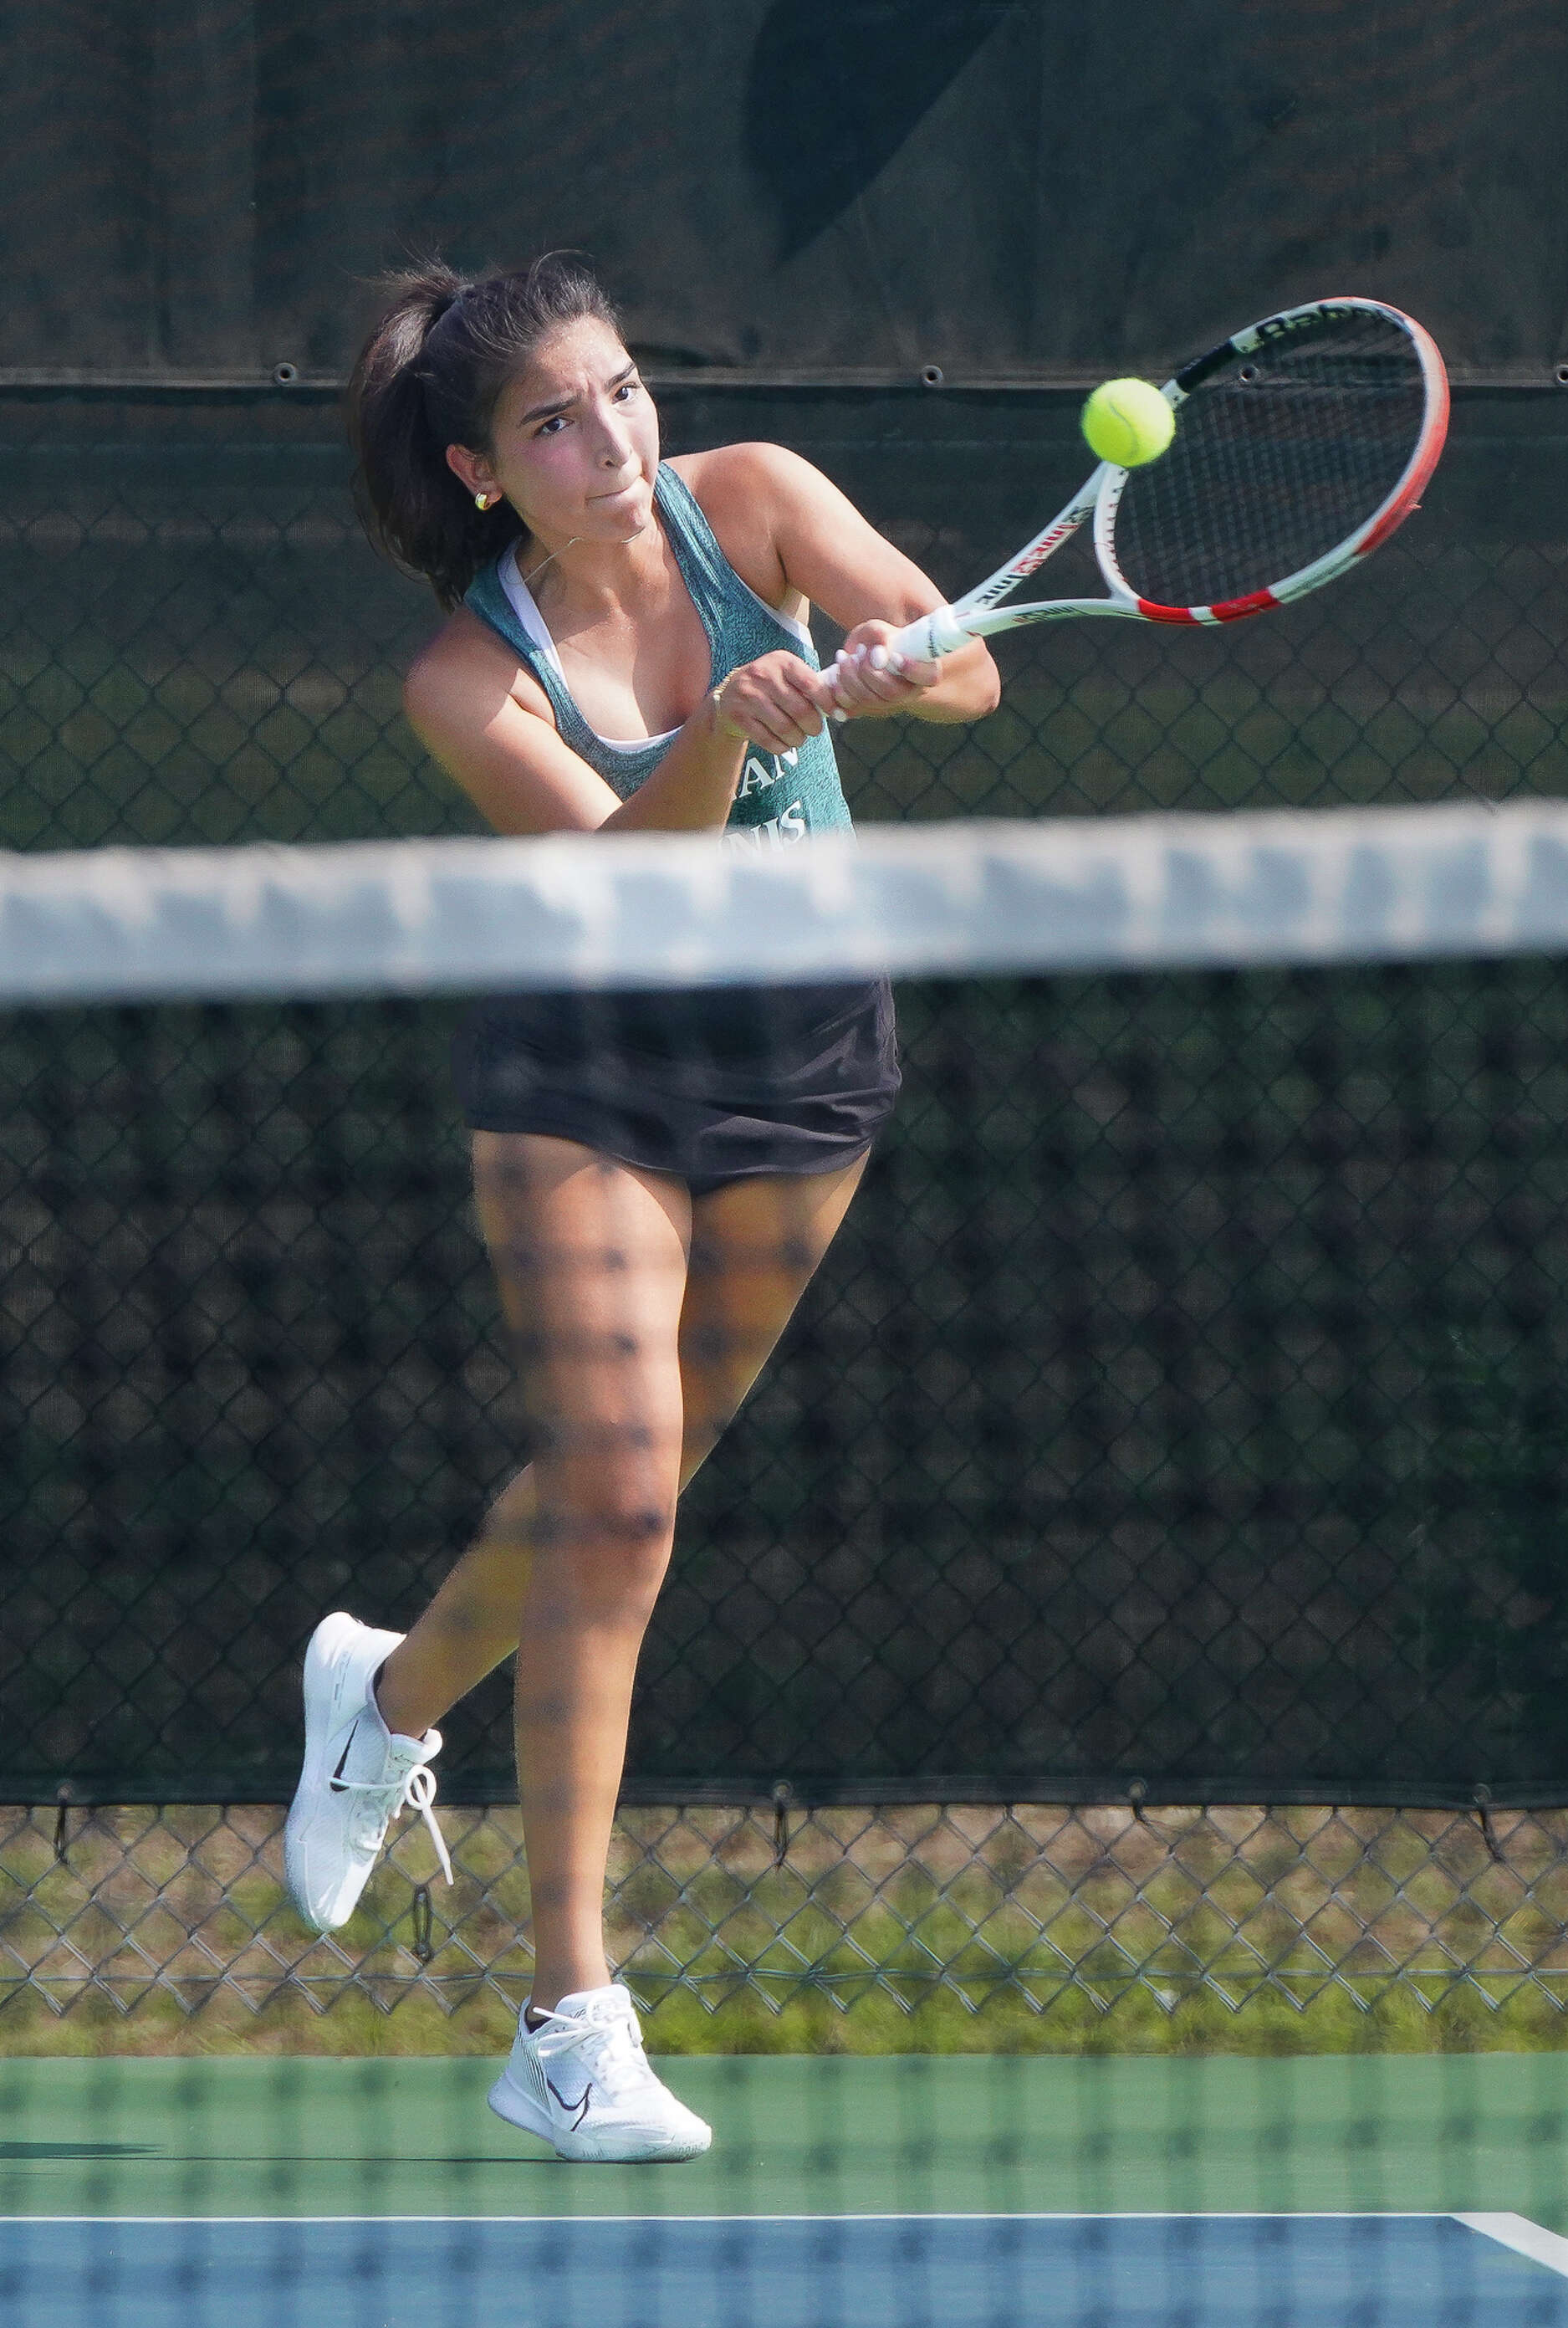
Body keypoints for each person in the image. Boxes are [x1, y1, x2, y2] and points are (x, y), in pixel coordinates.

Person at [283, 254, 999, 2162]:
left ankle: (387, 1693)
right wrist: (734, 734)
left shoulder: (754, 499)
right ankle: (567, 2018)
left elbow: (973, 664)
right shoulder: (468, 674)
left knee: (641, 1492)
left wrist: (897, 671)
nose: (611, 440)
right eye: (554, 422)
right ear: (482, 469)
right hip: (586, 1081)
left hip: (812, 1070)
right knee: (615, 1489)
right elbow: (623, 870)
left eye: (621, 391)